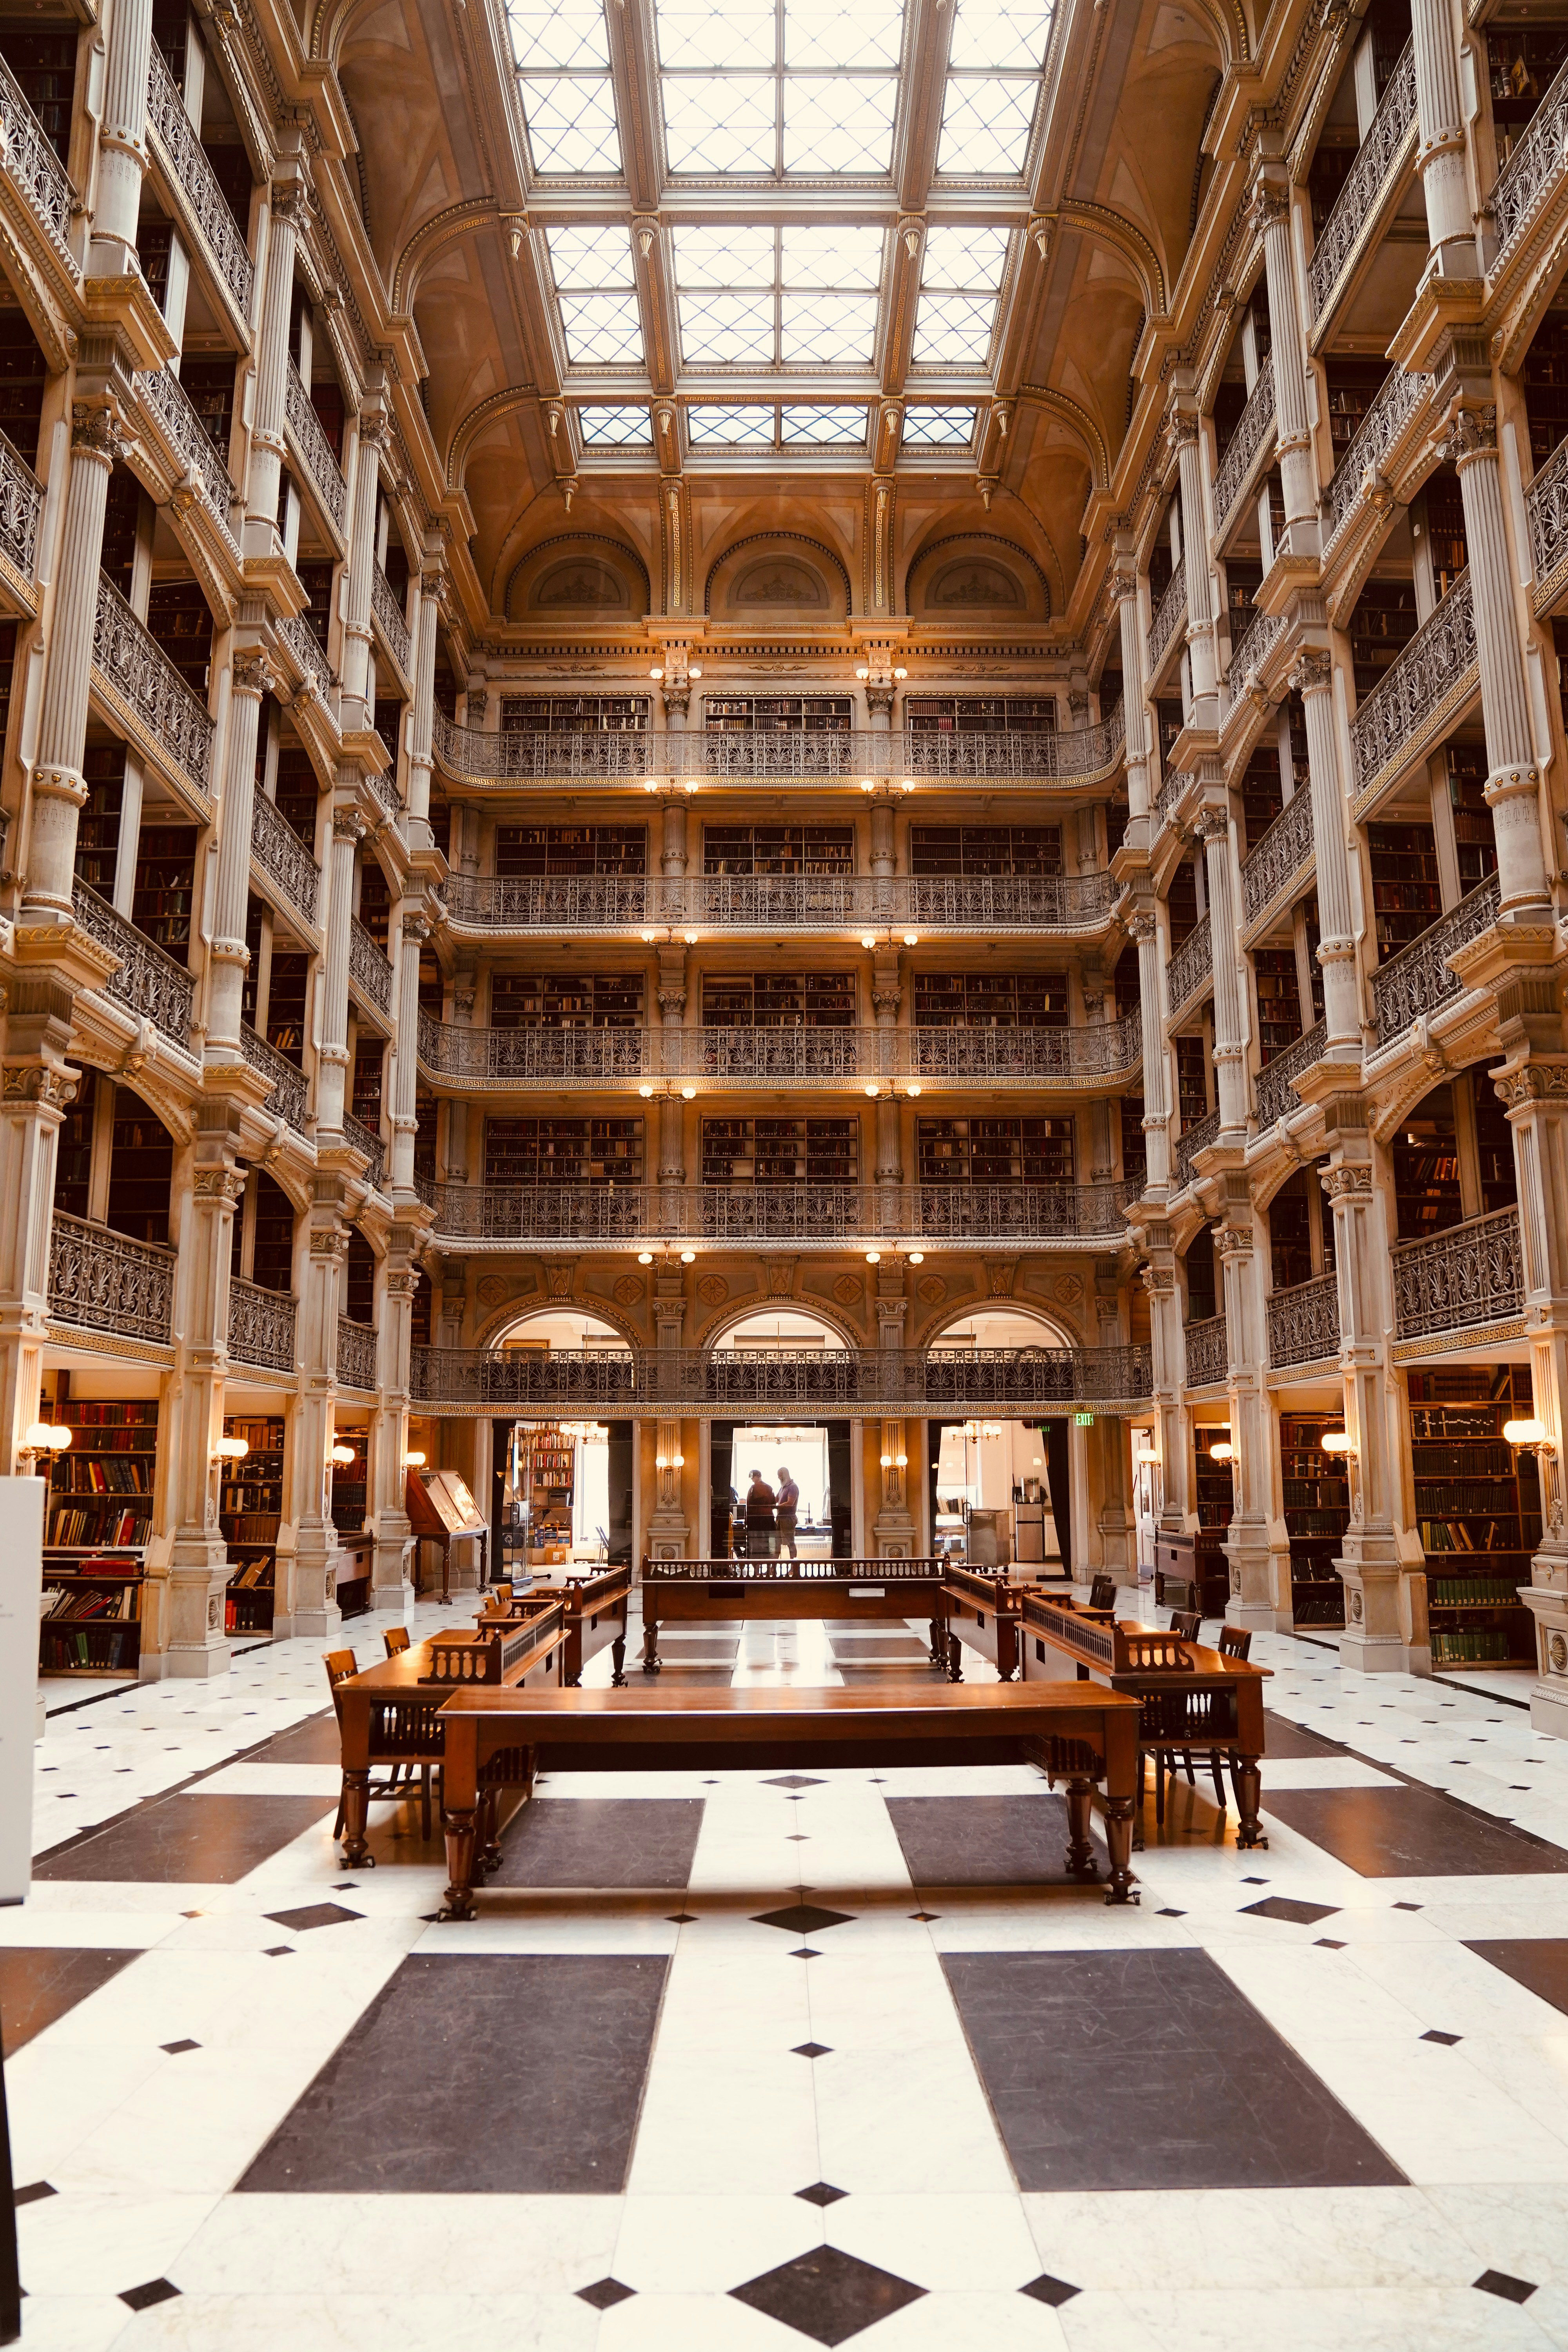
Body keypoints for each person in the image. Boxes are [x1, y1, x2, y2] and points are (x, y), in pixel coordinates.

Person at [744, 1468, 776, 1559]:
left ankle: (756, 1568)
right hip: (768, 1519)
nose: (752, 1480)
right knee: (768, 1542)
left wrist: (747, 1520)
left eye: (753, 1477)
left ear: (758, 1476)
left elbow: (749, 1505)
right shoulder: (769, 1488)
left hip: (755, 1520)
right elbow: (773, 1504)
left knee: (756, 1543)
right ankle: (770, 1567)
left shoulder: (753, 1489)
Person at [775, 1464, 799, 1560]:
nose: (778, 1478)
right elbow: (775, 1499)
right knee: (777, 1544)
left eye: (780, 1475)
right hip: (780, 1519)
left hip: (788, 1519)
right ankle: (773, 1569)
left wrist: (775, 1507)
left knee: (791, 1544)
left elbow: (790, 1503)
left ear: (785, 1475)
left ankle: (794, 1568)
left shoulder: (793, 1487)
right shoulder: (783, 1488)